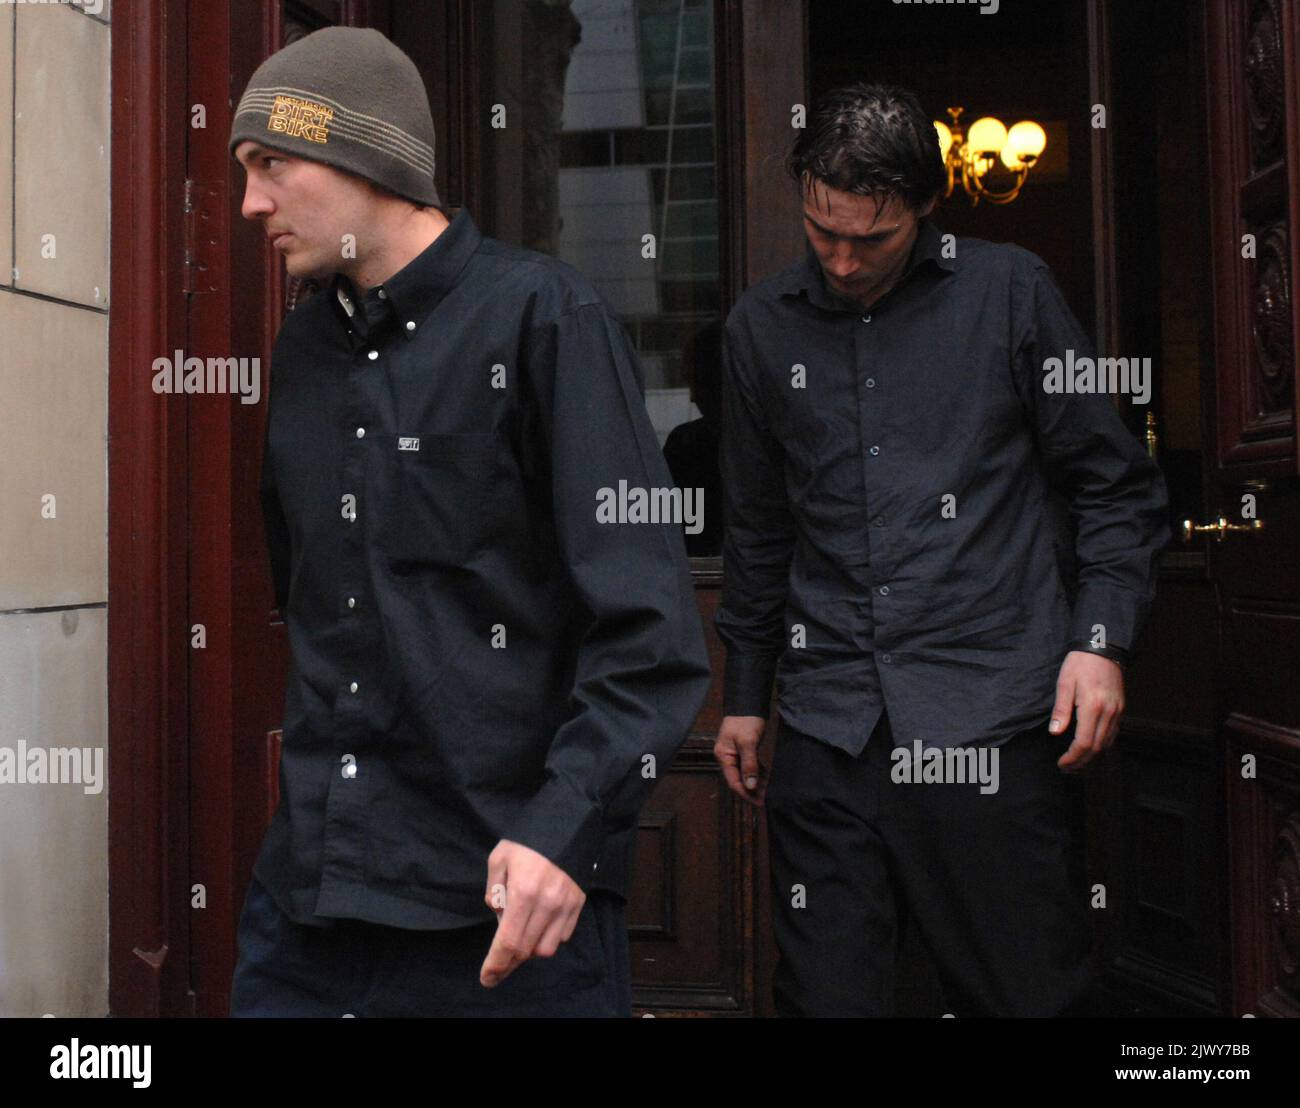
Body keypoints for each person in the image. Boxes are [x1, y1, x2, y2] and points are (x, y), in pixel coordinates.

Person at [226, 26, 710, 1017]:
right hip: (308, 915)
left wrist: (559, 834)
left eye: (270, 165)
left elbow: (650, 635)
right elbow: (308, 599)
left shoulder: (546, 321)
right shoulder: (304, 350)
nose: (251, 203)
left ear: (361, 155)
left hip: (501, 914)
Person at [712, 82, 1170, 1017]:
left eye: (870, 240)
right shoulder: (760, 329)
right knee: (827, 1003)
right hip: (827, 724)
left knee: (1029, 995)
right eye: (821, 232)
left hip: (990, 717)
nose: (841, 262)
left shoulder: (1010, 293)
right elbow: (758, 529)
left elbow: (1113, 483)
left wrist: (1101, 640)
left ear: (927, 206)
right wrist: (746, 697)